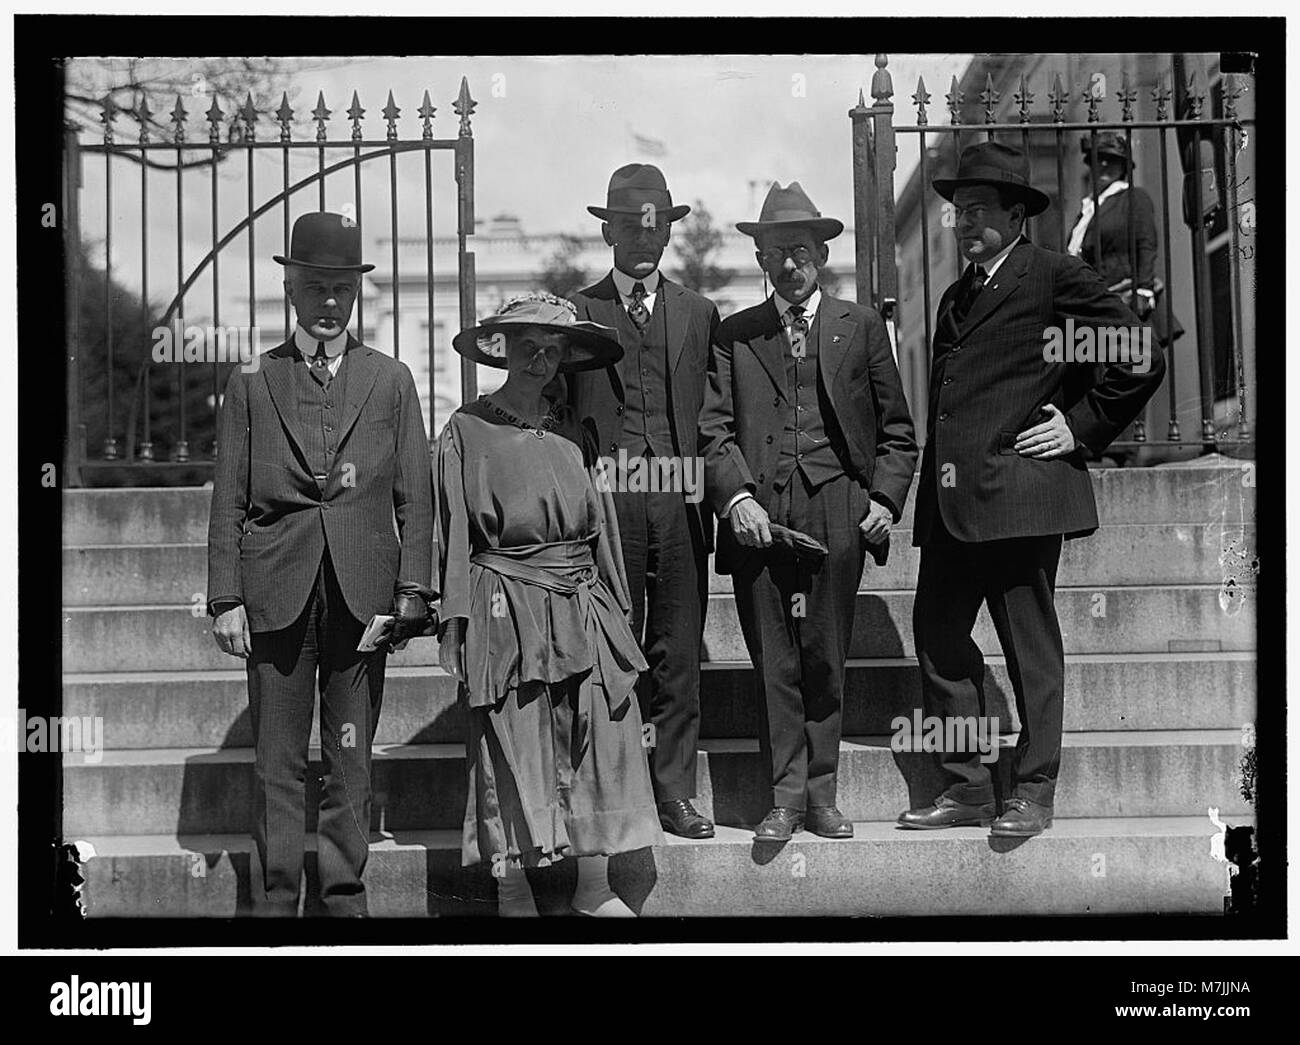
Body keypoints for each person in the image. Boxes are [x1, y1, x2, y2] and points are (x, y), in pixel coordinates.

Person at [899, 142, 1166, 838]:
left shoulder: (1052, 275)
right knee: (936, 635)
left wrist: (1079, 428)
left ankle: (1034, 789)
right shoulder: (958, 293)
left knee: (1030, 649)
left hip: (1021, 495)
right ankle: (967, 786)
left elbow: (1139, 353)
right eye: (959, 211)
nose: (964, 222)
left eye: (979, 210)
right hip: (955, 504)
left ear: (1018, 214)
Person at [206, 211, 434, 916]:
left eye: (341, 287)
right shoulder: (252, 381)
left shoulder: (391, 380)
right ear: (291, 288)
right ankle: (276, 900)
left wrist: (413, 591)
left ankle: (343, 898)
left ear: (356, 291)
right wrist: (225, 597)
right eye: (315, 286)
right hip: (274, 589)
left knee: (350, 755)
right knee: (277, 760)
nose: (329, 302)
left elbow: (415, 497)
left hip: (363, 594)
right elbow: (229, 497)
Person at [699, 182, 918, 843]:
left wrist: (882, 499)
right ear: (761, 260)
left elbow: (899, 432)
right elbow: (712, 429)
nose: (787, 265)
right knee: (775, 658)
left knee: (824, 653)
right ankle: (784, 799)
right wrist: (735, 498)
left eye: (798, 250)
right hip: (759, 516)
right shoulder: (736, 334)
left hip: (837, 509)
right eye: (773, 253)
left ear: (822, 253)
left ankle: (822, 795)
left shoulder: (862, 327)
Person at [435, 291, 663, 917]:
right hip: (506, 602)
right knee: (514, 735)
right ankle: (513, 889)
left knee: (602, 729)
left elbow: (603, 530)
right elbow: (454, 534)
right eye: (527, 344)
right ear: (501, 349)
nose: (540, 358)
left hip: (580, 600)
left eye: (553, 347)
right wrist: (454, 623)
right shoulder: (465, 429)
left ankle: (594, 886)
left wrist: (615, 605)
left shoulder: (574, 434)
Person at [566, 164, 721, 840]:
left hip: (682, 498)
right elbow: (560, 414)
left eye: (655, 225)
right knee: (613, 651)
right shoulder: (578, 312)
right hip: (610, 504)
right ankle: (619, 791)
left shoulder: (698, 312)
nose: (644, 237)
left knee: (678, 648)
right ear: (607, 231)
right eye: (630, 224)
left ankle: (676, 791)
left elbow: (716, 413)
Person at [1068, 131, 1184, 464]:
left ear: (1123, 166)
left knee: (1129, 372)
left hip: (1126, 300)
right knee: (1094, 373)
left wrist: (1145, 290)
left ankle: (1126, 453)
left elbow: (1146, 243)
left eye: (1112, 160)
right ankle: (1096, 446)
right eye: (1098, 159)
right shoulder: (1088, 207)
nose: (1104, 165)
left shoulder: (1133, 197)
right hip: (1093, 306)